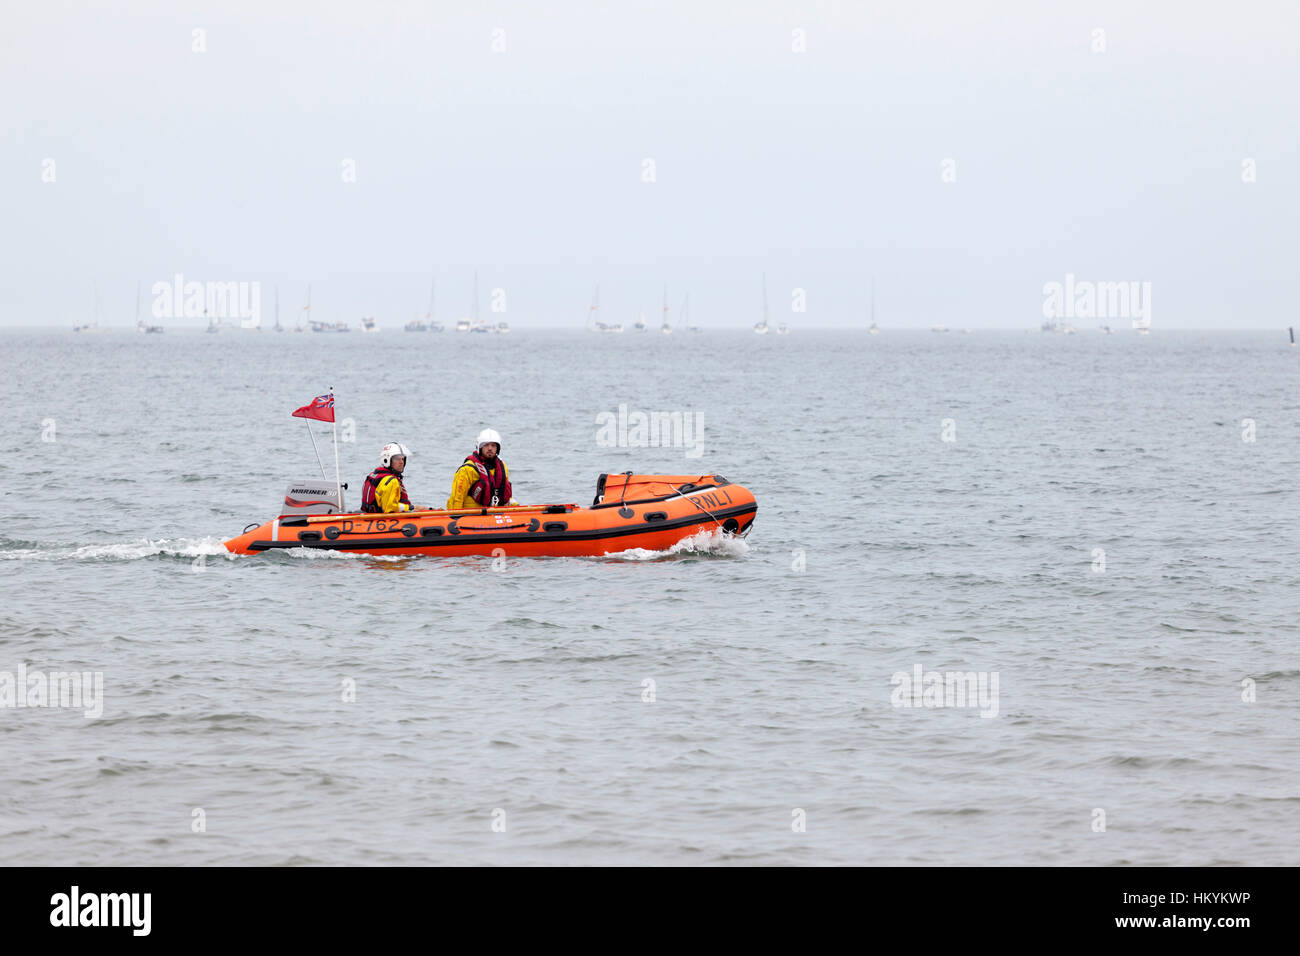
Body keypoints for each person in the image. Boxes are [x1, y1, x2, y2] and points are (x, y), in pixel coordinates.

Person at [447, 428, 517, 510]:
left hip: (495, 514)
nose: (490, 448)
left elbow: (504, 494)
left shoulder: (502, 467)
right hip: (472, 515)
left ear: (497, 448)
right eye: (486, 445)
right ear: (480, 447)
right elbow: (457, 498)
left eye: (493, 445)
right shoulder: (467, 469)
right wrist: (454, 518)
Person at [361, 442, 418, 513]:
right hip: (383, 518)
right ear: (387, 460)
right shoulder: (391, 481)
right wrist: (411, 507)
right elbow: (389, 508)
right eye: (397, 459)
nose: (401, 462)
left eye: (403, 459)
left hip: (371, 515)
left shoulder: (374, 474)